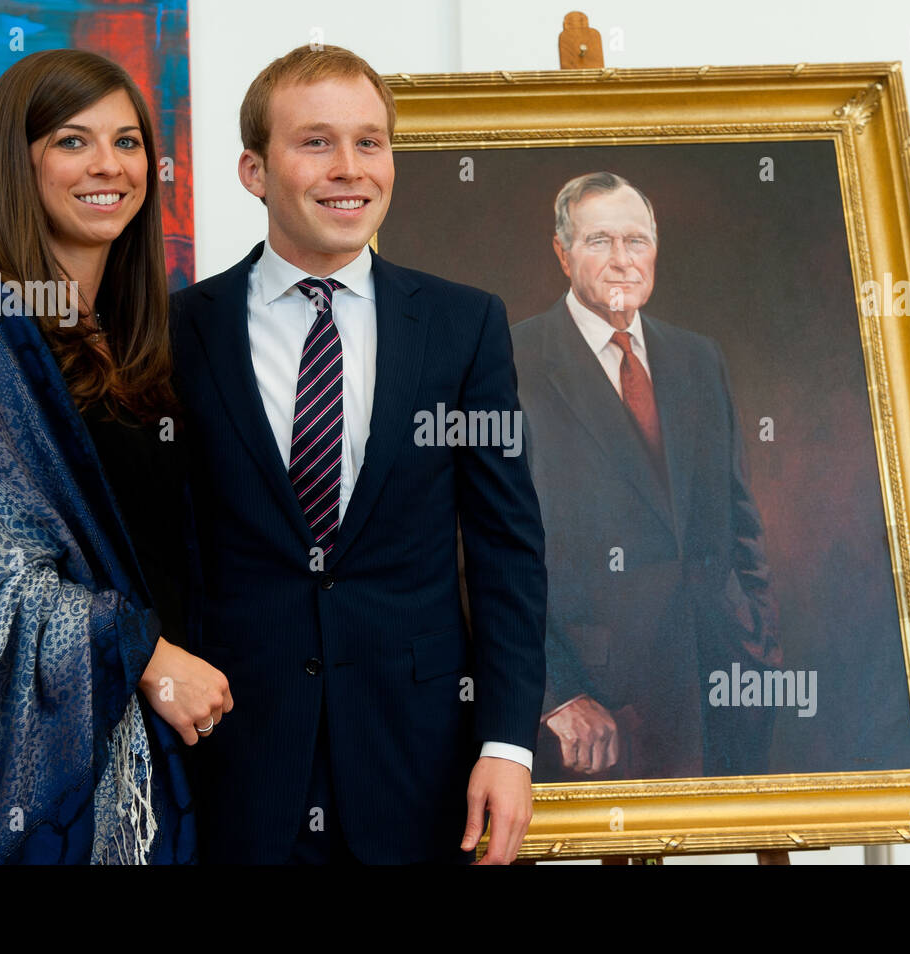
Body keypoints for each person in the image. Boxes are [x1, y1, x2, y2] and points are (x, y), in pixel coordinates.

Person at [170, 44, 547, 864]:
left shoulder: (463, 326)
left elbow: (506, 552)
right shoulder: (177, 334)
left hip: (422, 775)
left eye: (370, 142)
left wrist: (508, 746)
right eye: (315, 142)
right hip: (234, 768)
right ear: (253, 170)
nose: (350, 168)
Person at [0, 49, 232, 864]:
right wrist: (142, 655)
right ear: (23, 163)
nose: (109, 166)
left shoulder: (138, 333)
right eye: (73, 142)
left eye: (126, 142)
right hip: (86, 786)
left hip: (191, 749)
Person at [511, 171, 781, 783]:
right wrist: (555, 693)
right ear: (562, 253)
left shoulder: (697, 357)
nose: (622, 261)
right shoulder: (510, 361)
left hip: (721, 681)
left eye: (636, 241)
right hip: (593, 710)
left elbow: (739, 521)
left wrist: (761, 644)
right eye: (599, 241)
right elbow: (483, 554)